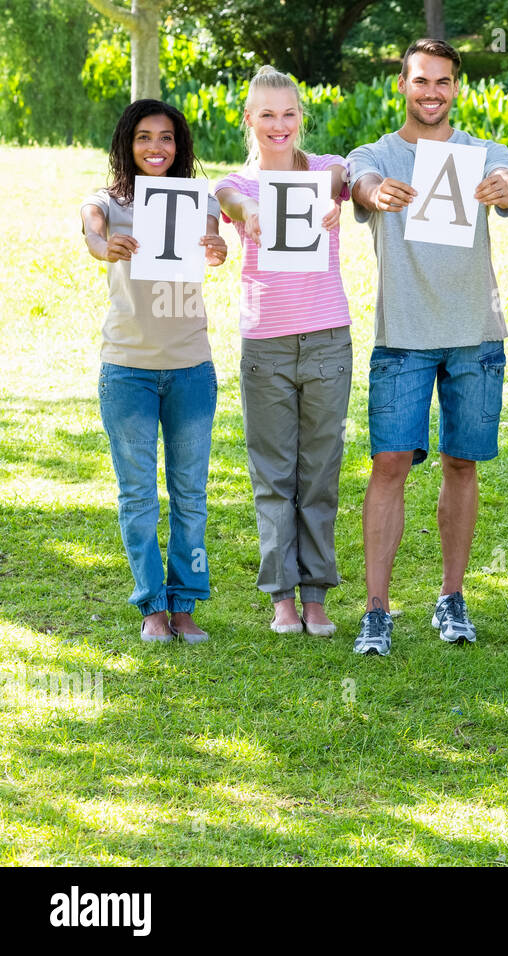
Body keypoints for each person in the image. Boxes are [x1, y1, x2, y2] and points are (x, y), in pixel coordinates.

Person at [347, 38, 508, 656]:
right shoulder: (377, 153)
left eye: (443, 82)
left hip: (474, 335)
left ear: (456, 88)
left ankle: (451, 597)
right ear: (402, 84)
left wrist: (505, 186)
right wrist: (371, 191)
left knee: (460, 464)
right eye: (421, 80)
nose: (432, 92)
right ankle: (376, 609)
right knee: (390, 465)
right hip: (404, 337)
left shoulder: (483, 152)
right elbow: (358, 178)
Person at [80, 99, 227, 643]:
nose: (156, 148)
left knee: (190, 493)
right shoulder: (106, 202)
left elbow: (213, 240)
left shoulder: (197, 199)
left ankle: (185, 604)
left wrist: (215, 246)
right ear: (126, 143)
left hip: (190, 368)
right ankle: (151, 608)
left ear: (180, 144)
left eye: (166, 138)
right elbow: (93, 234)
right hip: (127, 370)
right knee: (138, 494)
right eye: (144, 137)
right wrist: (105, 246)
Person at [215, 66, 352, 639]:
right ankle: (281, 597)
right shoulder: (239, 184)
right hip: (265, 346)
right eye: (267, 114)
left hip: (327, 340)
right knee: (273, 474)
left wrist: (342, 186)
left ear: (301, 118)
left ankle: (316, 593)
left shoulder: (324, 173)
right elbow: (225, 198)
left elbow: (350, 171)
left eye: (289, 113)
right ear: (249, 119)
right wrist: (247, 216)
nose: (279, 125)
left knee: (319, 472)